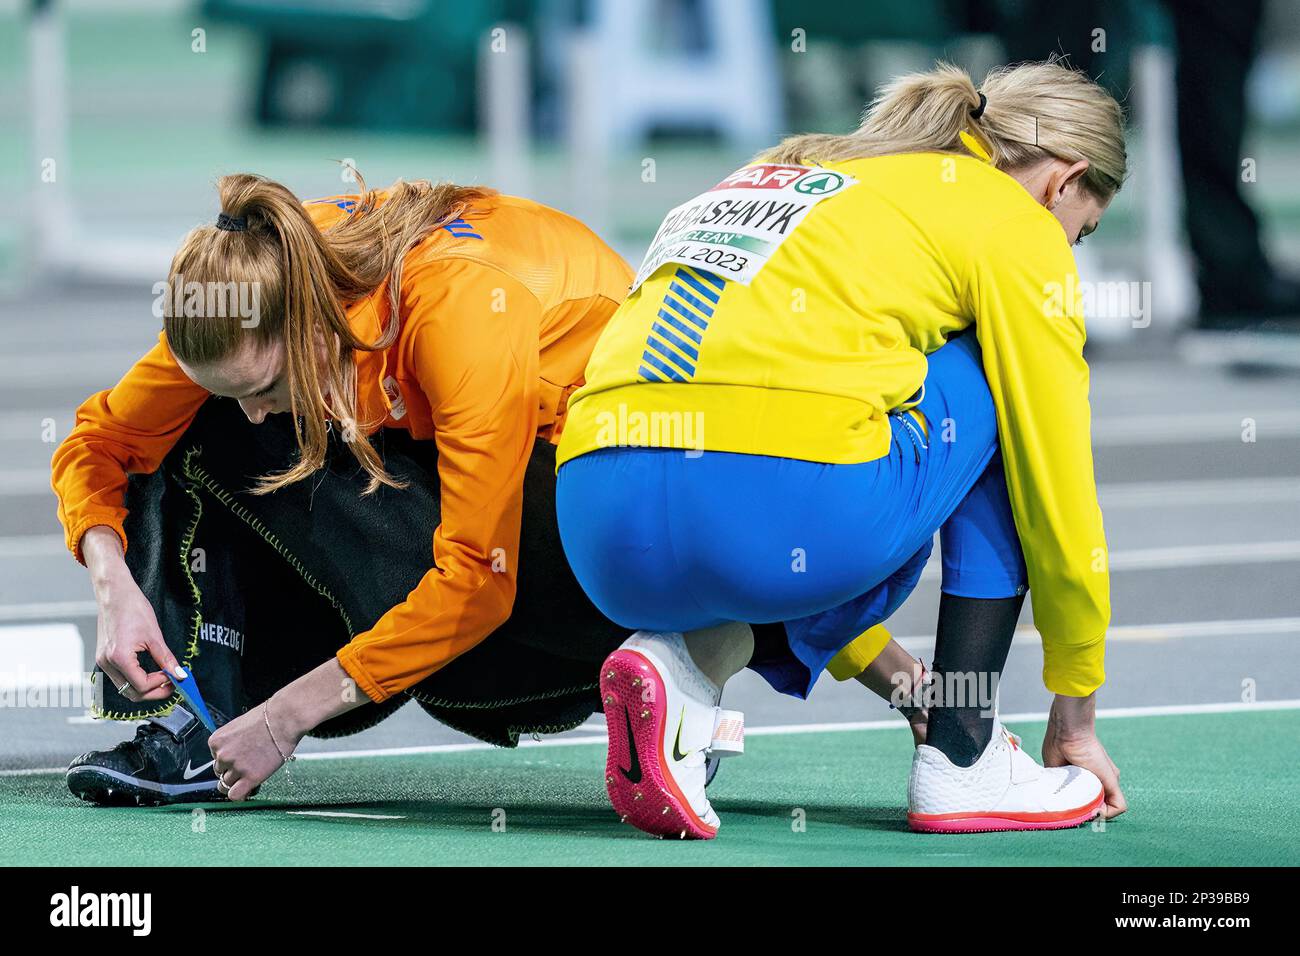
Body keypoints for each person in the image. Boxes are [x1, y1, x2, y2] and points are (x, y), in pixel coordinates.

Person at [556, 59, 1130, 838]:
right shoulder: (1014, 220)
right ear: (1065, 180)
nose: (1070, 248)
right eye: (1082, 231)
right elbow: (1054, 476)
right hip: (775, 514)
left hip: (598, 528)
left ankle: (684, 663)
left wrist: (898, 680)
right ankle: (963, 760)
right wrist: (1076, 706)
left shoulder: (786, 163)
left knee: (838, 406)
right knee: (1000, 384)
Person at [51, 172, 635, 804]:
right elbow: (101, 443)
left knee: (456, 626)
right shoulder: (245, 285)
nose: (250, 413)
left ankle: (656, 668)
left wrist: (289, 715)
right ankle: (212, 717)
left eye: (264, 388)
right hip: (430, 422)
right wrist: (114, 587)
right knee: (188, 426)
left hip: (597, 510)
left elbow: (478, 578)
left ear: (312, 331)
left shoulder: (460, 317)